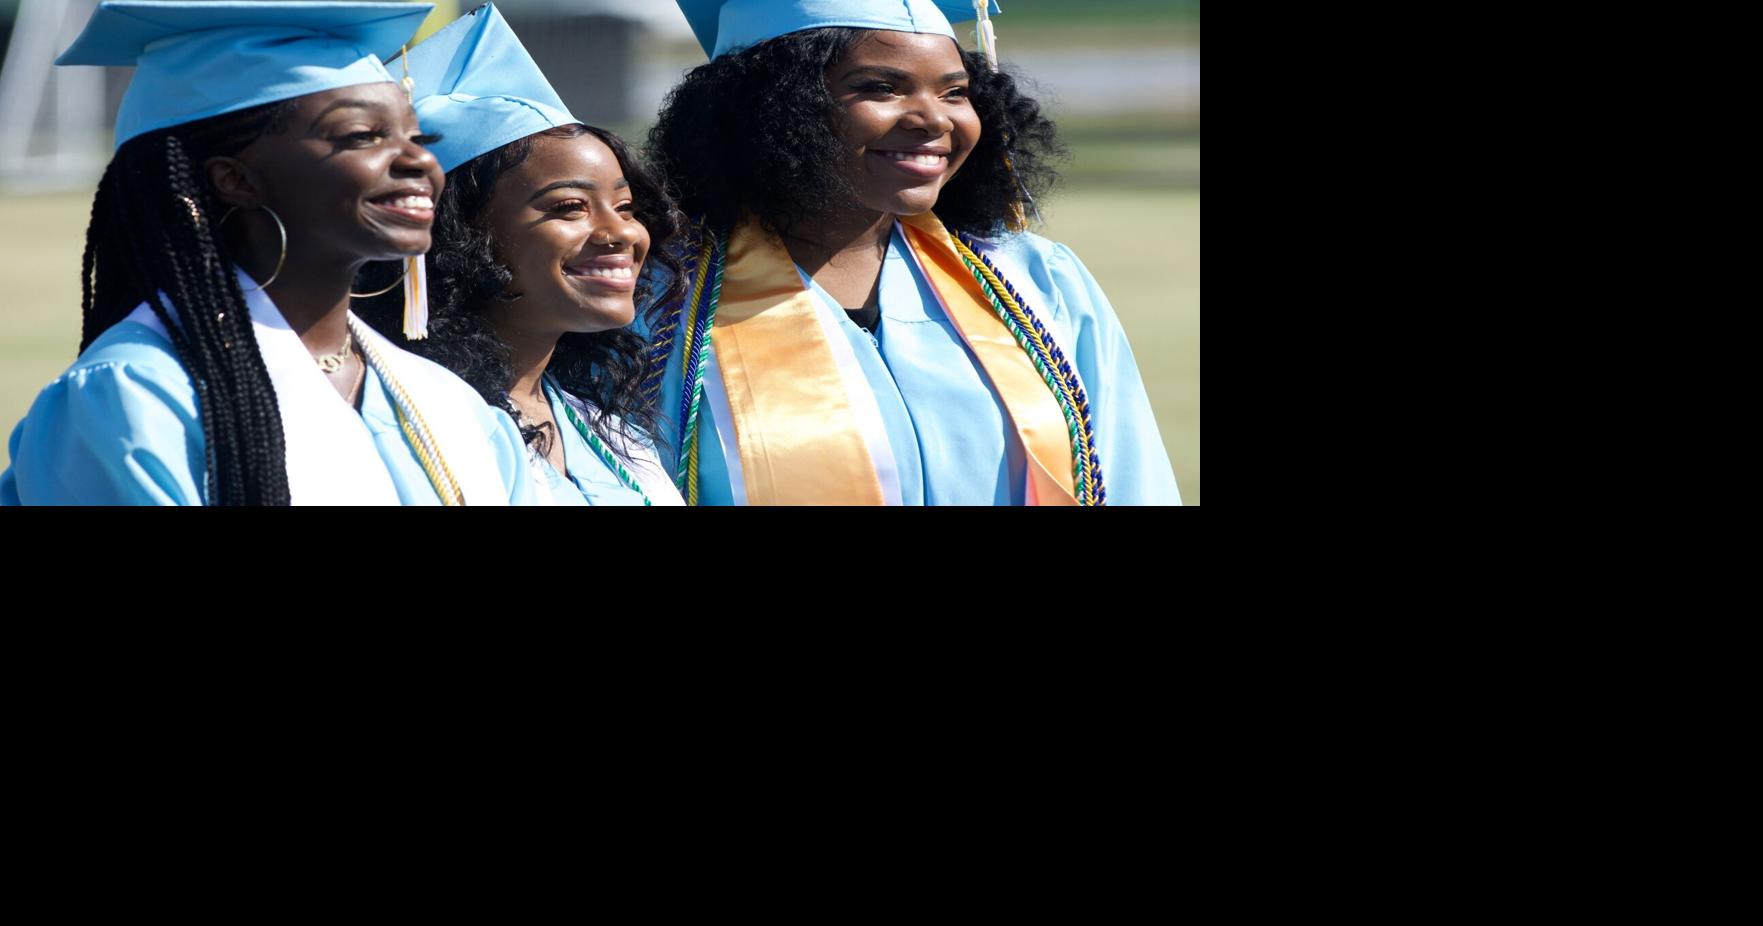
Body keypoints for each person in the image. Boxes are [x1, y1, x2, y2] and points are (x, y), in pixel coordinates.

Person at [644, 0, 1183, 505]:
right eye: (881, 87)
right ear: (772, 106)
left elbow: (1129, 477)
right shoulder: (660, 307)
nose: (935, 120)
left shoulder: (1036, 282)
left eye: (954, 92)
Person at [1, 0, 539, 505]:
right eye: (362, 136)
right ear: (236, 180)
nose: (419, 162)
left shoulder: (447, 404)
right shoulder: (139, 396)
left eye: (419, 137)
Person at [358, 3, 685, 505]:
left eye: (624, 206)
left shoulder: (610, 435)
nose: (621, 232)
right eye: (571, 207)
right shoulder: (406, 425)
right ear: (462, 236)